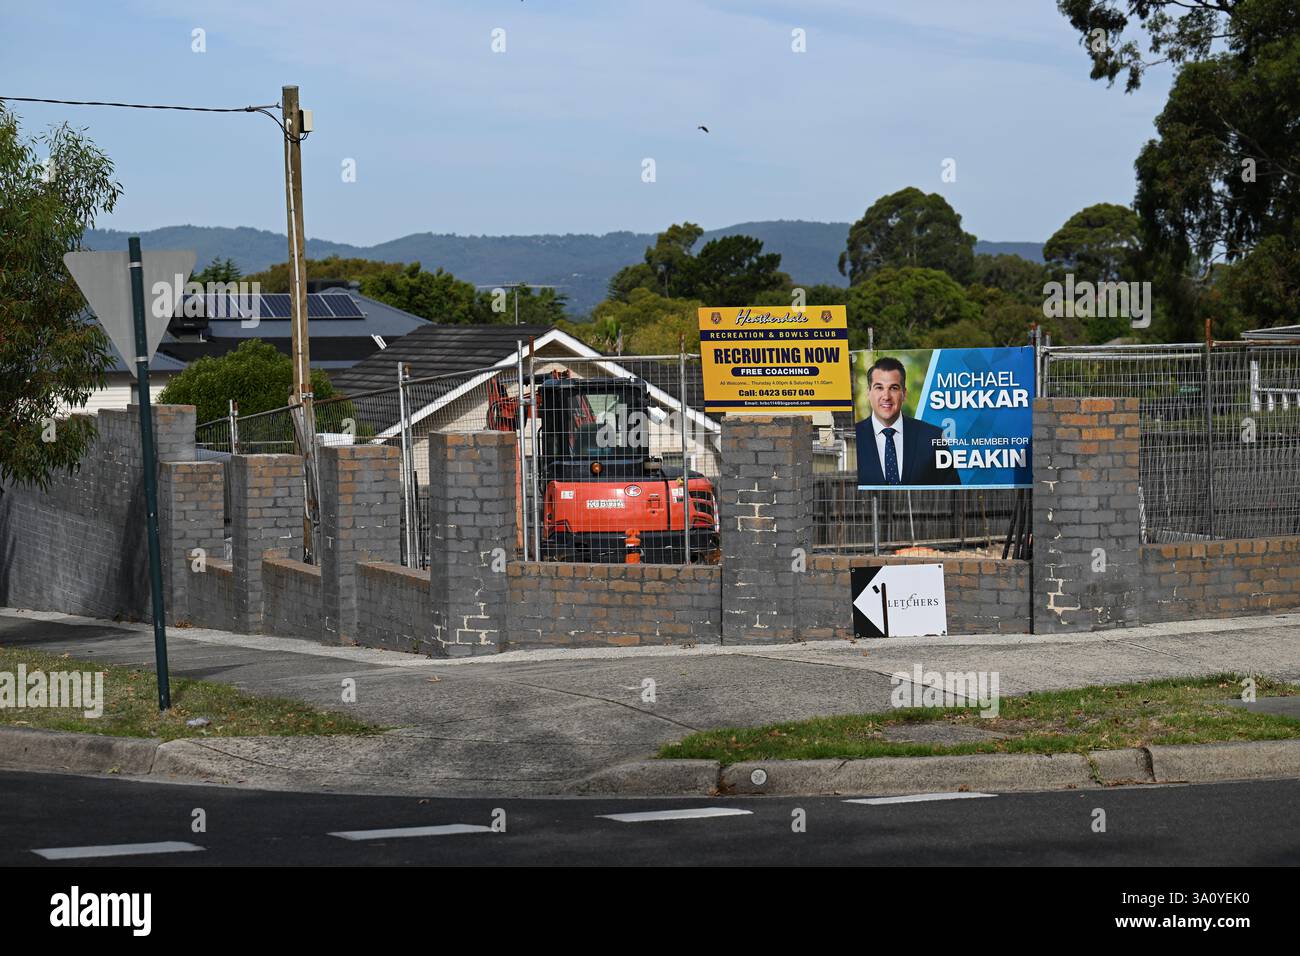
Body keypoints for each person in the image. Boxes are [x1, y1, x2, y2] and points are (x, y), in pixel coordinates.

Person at [856, 356, 959, 487]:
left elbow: (954, 490)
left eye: (893, 388)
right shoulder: (854, 437)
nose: (886, 396)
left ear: (904, 394)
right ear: (868, 393)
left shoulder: (932, 436)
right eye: (879, 388)